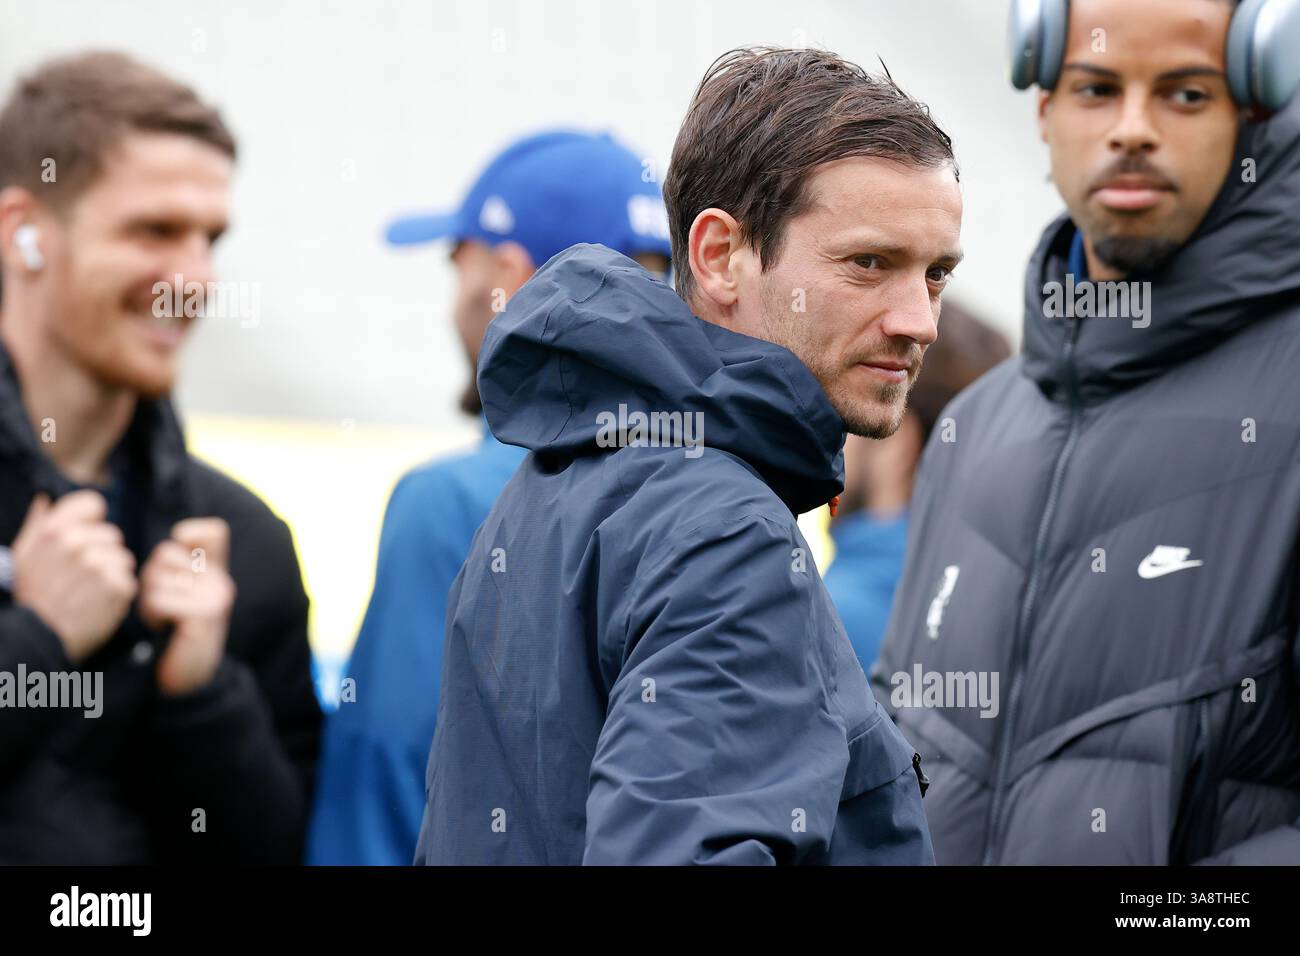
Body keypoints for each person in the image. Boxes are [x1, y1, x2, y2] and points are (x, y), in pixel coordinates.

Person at [415, 46, 963, 866]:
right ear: (718, 256)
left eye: (937, 275)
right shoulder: (724, 530)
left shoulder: (558, 484)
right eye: (869, 264)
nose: (918, 320)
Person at [873, 0, 1300, 864]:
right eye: (1097, 88)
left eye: (1184, 94)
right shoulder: (974, 428)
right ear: (1045, 107)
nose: (1133, 130)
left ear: (1251, 111)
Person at [306, 130, 672, 865]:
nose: (454, 307)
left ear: (505, 276)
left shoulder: (448, 503)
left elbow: (386, 779)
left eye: (459, 269)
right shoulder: (717, 483)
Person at [0, 51, 320, 863]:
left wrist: (203, 696)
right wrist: (35, 642)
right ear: (24, 232)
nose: (195, 279)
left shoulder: (244, 542)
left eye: (210, 239)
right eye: (154, 231)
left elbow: (274, 852)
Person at [824, 304, 1009, 671]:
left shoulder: (831, 614)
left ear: (897, 437)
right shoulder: (1011, 604)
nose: (837, 441)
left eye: (852, 417)